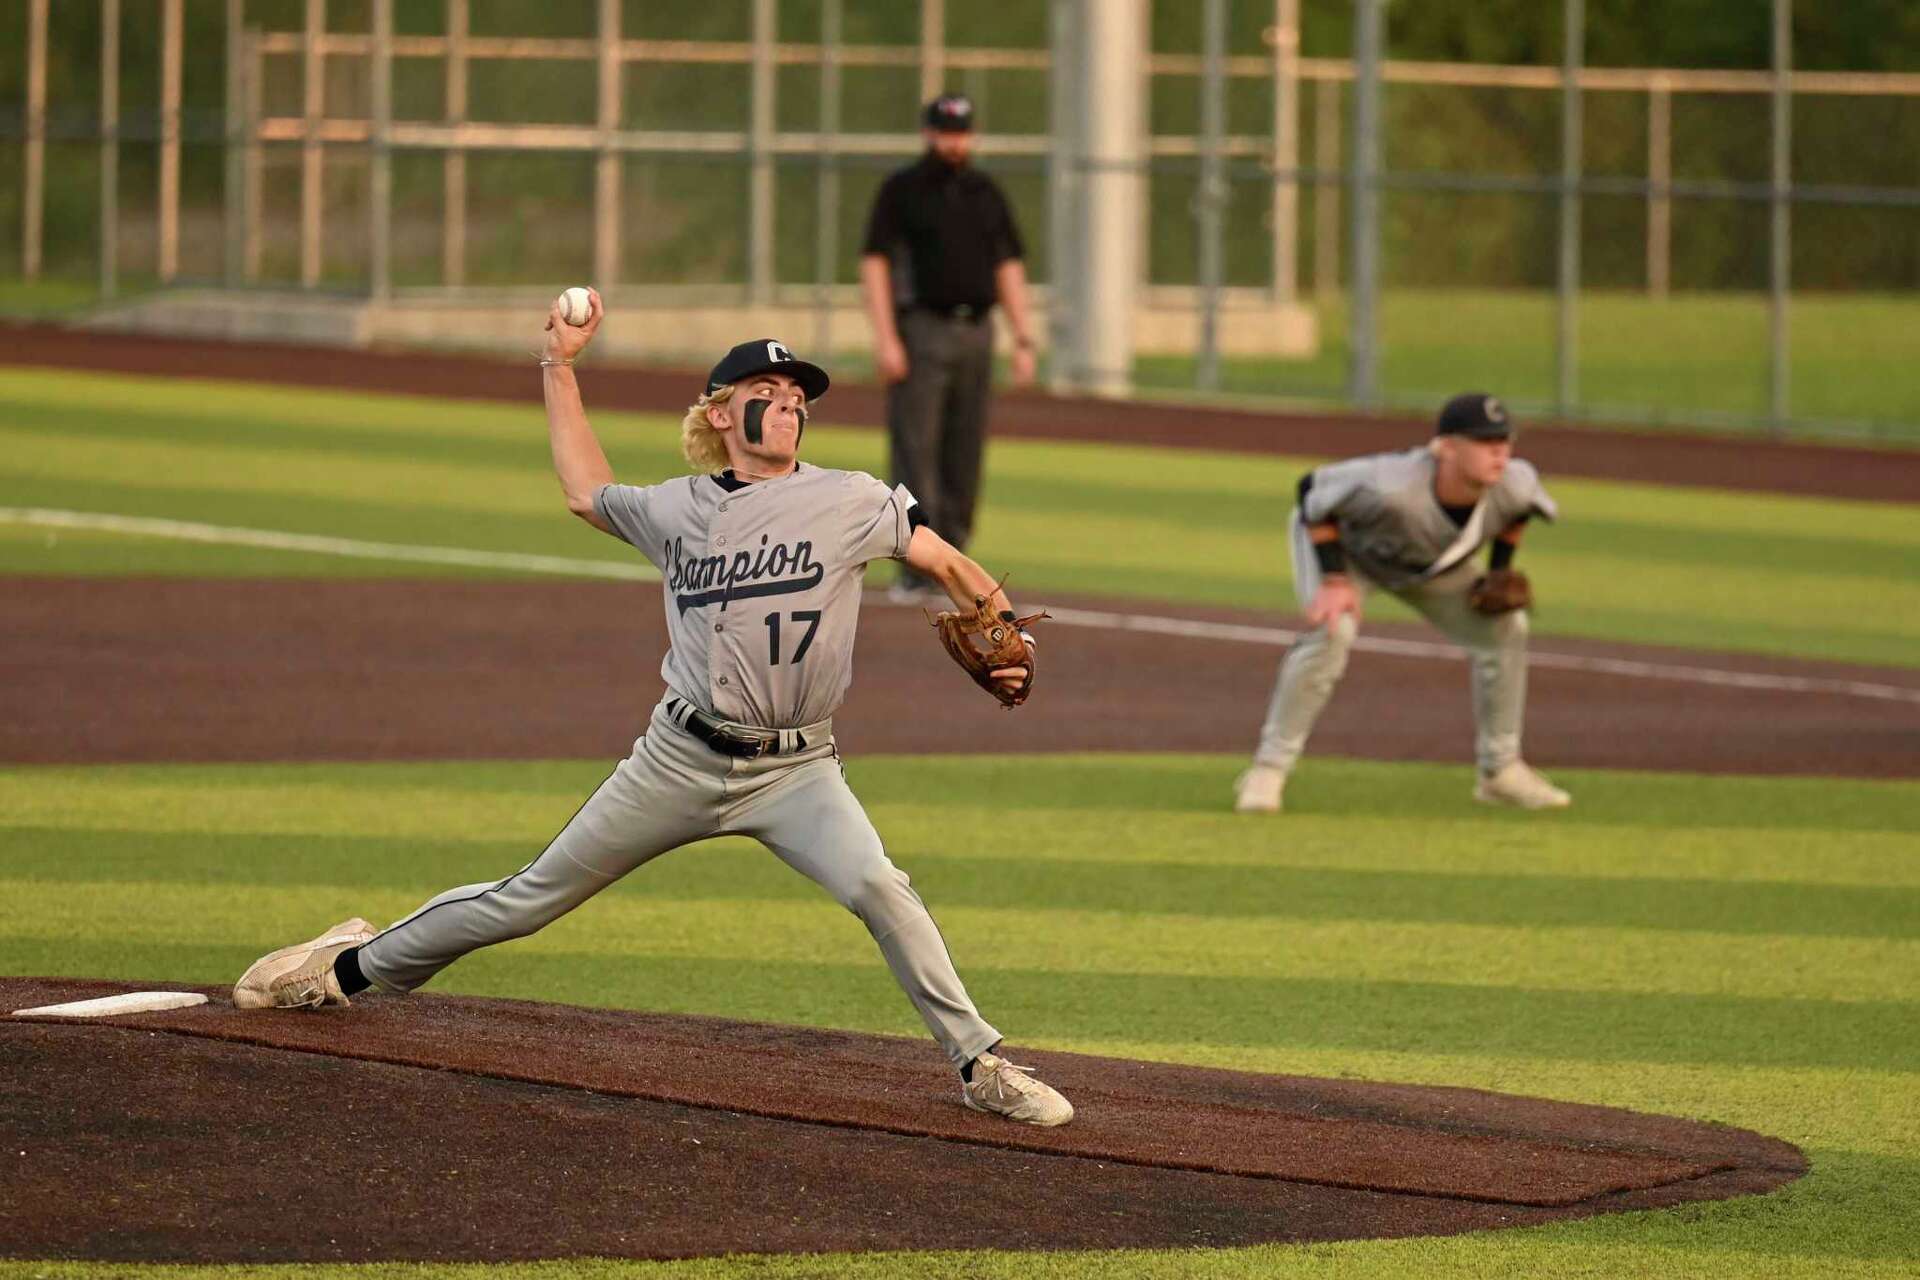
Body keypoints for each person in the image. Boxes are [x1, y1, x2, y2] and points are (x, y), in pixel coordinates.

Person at [232, 290, 1073, 1128]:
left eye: (797, 398)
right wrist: (559, 366)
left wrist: (1007, 631)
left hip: (797, 771)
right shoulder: (675, 509)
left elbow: (948, 561)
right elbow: (583, 490)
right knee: (527, 900)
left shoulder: (850, 499)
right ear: (719, 411)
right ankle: (341, 970)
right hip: (677, 762)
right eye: (768, 393)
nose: (788, 405)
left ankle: (980, 1063)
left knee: (882, 889)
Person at [1235, 393, 1572, 814]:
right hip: (1351, 553)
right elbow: (1310, 494)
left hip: (1427, 565)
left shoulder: (1516, 482)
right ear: (1446, 447)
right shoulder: (1389, 484)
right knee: (1332, 631)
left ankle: (1500, 771)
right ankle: (1269, 769)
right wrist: (1334, 579)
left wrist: (1500, 570)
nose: (1500, 453)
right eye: (1486, 442)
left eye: (1506, 441)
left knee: (1506, 628)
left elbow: (1519, 513)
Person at [860, 92, 1038, 602]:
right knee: (916, 449)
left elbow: (1008, 265)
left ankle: (955, 559)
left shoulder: (985, 192)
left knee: (965, 451)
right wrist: (886, 336)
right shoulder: (903, 190)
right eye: (945, 131)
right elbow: (875, 264)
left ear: (972, 134)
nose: (953, 141)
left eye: (961, 132)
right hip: (922, 331)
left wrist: (1022, 336)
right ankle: (917, 565)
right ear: (928, 133)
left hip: (977, 330)